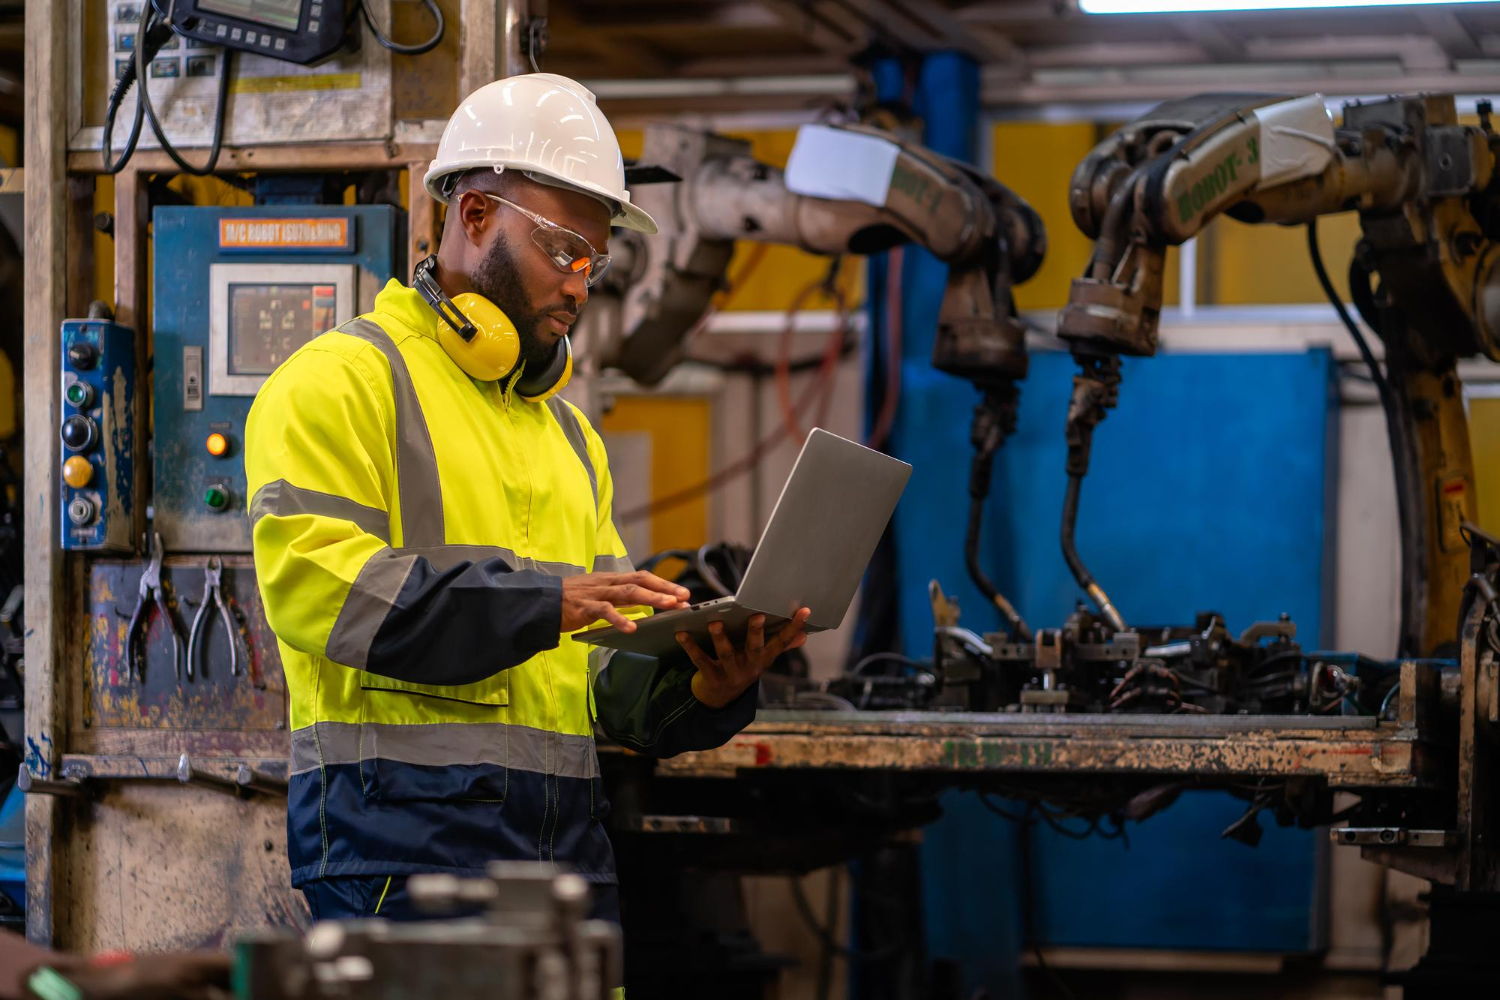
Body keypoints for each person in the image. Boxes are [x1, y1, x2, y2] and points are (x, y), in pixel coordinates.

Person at [245, 73, 810, 932]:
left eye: (598, 260)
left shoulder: (569, 438)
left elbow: (595, 676)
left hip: (564, 860)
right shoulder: (341, 383)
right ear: (473, 217)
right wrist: (544, 600)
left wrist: (702, 685)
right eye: (564, 251)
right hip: (402, 857)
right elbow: (322, 592)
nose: (582, 286)